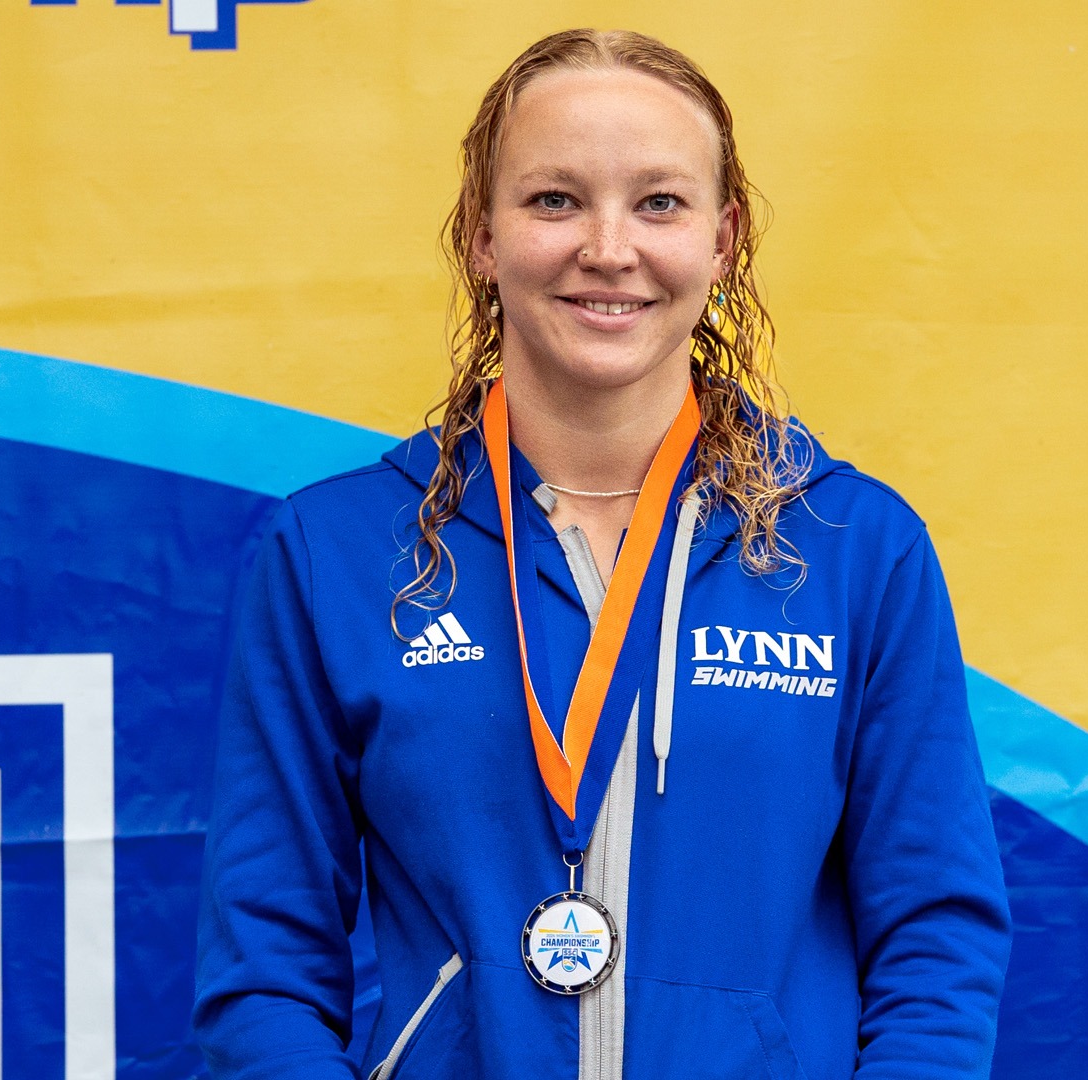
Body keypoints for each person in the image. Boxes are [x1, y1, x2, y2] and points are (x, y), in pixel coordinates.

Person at [193, 28, 1010, 1080]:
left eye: (658, 203)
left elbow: (935, 942)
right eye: (554, 201)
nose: (608, 248)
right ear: (481, 239)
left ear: (725, 240)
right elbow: (262, 970)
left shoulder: (853, 549)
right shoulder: (337, 554)